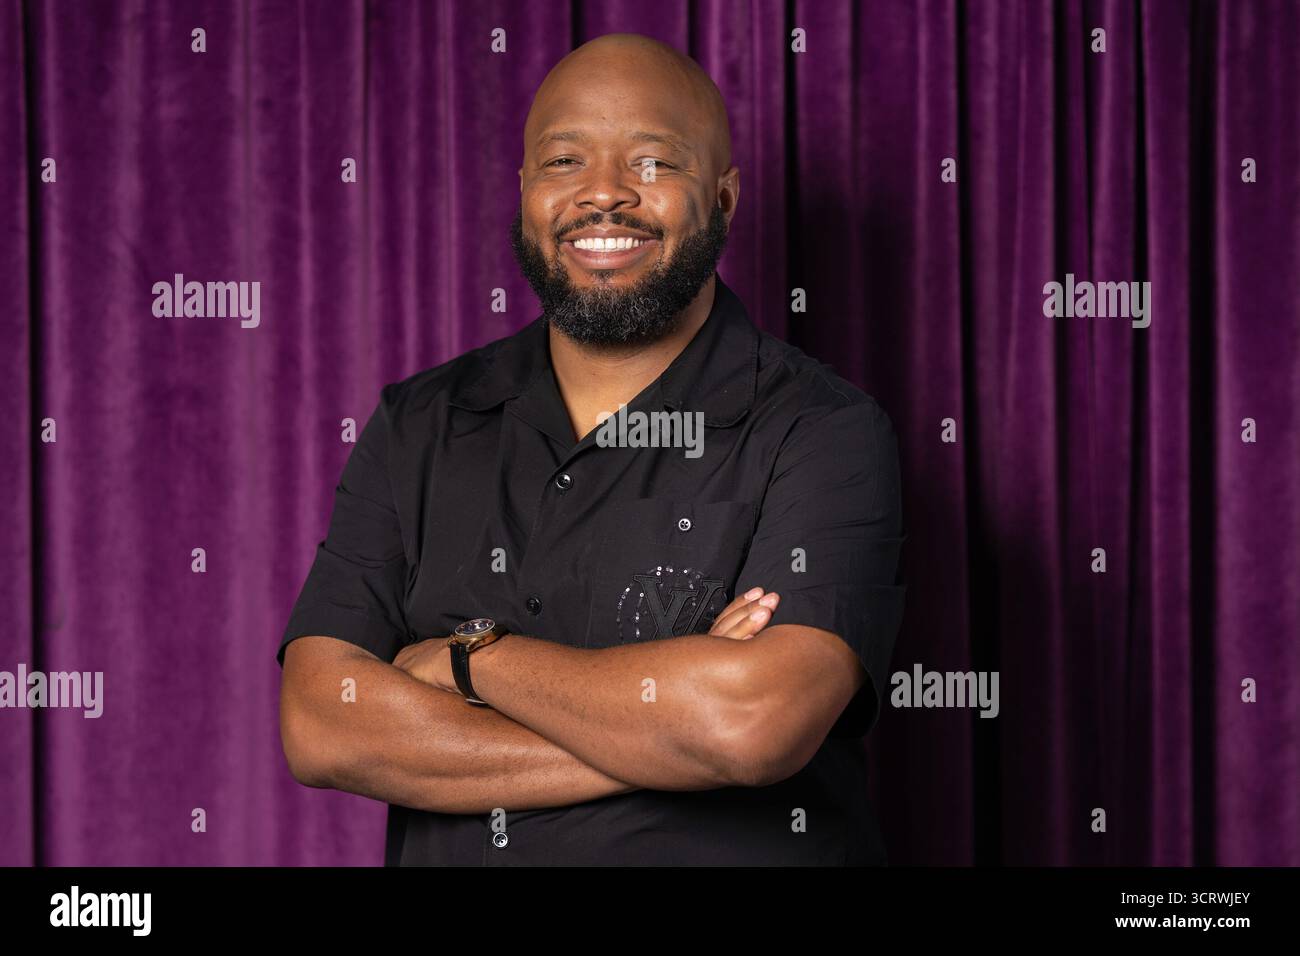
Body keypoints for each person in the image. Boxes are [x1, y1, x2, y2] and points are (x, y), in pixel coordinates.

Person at [277, 32, 905, 865]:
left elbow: (752, 725)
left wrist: (472, 662)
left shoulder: (825, 431)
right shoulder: (419, 422)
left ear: (723, 198)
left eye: (654, 163)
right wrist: (670, 738)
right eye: (564, 161)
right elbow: (322, 724)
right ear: (527, 189)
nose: (604, 193)